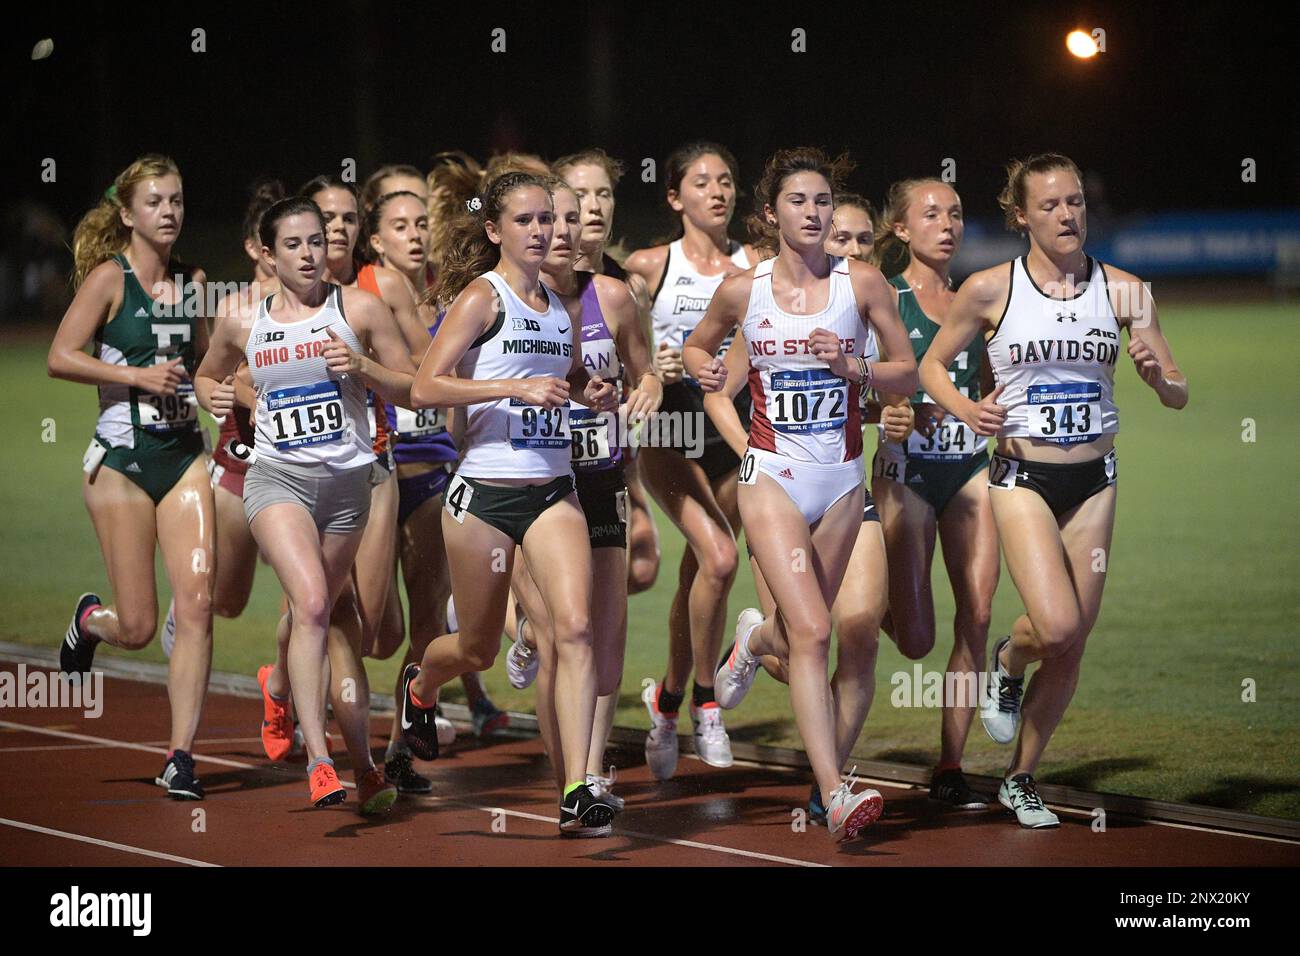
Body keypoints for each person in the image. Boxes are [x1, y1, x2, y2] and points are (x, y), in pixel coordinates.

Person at [919, 153, 1187, 827]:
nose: (1068, 215)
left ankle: (1021, 778)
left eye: (1075, 203)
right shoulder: (988, 289)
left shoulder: (1125, 290)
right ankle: (1008, 660)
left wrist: (1158, 378)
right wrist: (965, 408)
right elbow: (930, 365)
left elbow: (1180, 392)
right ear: (1020, 216)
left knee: (1073, 640)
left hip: (1095, 478)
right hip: (1022, 476)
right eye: (1050, 205)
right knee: (1058, 624)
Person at [693, 147, 918, 840]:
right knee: (817, 631)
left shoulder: (865, 284)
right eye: (799, 201)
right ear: (771, 213)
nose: (815, 212)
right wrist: (704, 374)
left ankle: (753, 642)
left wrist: (856, 366)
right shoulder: (744, 287)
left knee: (794, 634)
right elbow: (702, 348)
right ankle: (835, 792)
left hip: (844, 482)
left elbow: (908, 373)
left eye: (823, 201)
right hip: (772, 477)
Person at [397, 171, 621, 837]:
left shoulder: (560, 301)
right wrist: (510, 390)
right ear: (495, 230)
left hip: (554, 490)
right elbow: (424, 390)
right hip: (484, 495)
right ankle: (421, 684)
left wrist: (594, 392)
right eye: (525, 220)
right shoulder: (480, 298)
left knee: (575, 628)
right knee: (477, 646)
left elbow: (571, 374)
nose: (541, 231)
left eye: (548, 220)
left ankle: (578, 786)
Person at [195, 196, 417, 814]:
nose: (308, 254)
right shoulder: (242, 318)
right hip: (277, 481)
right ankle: (321, 762)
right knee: (313, 603)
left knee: (350, 622)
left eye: (316, 241)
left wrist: (365, 366)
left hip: (350, 491)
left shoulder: (361, 308)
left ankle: (362, 764)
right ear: (268, 254)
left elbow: (412, 384)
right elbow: (206, 375)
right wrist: (218, 399)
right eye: (292, 245)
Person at [49, 154, 214, 800]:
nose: (169, 211)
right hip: (119, 463)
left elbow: (202, 362)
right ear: (127, 214)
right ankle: (91, 620)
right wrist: (135, 376)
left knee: (196, 602)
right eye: (155, 202)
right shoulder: (108, 281)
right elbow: (60, 357)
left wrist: (222, 390)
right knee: (140, 626)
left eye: (176, 200)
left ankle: (180, 756)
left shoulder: (195, 280)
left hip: (183, 456)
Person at [506, 177, 661, 810]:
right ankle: (567, 771)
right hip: (534, 481)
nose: (566, 230)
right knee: (562, 635)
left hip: (599, 476)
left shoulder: (616, 298)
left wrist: (643, 389)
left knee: (606, 631)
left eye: (576, 218)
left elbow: (643, 367)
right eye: (554, 219)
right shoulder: (509, 302)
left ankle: (588, 774)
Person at [623, 142, 757, 778]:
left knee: (700, 575)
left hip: (731, 435)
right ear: (675, 197)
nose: (717, 190)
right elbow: (615, 337)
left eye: (726, 180)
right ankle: (707, 700)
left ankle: (666, 700)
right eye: (701, 182)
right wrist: (652, 365)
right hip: (670, 434)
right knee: (722, 556)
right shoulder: (650, 265)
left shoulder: (755, 266)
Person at [870, 178, 1001, 811]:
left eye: (955, 212)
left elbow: (998, 378)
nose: (946, 224)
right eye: (930, 215)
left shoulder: (978, 299)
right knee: (917, 639)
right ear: (900, 229)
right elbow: (854, 387)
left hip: (971, 468)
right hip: (908, 474)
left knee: (976, 614)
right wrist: (885, 412)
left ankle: (950, 766)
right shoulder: (882, 299)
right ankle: (869, 604)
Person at [554, 149, 661, 595]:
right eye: (582, 194)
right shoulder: (520, 286)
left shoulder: (624, 288)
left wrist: (655, 382)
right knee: (558, 612)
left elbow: (641, 374)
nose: (594, 206)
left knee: (634, 576)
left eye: (604, 193)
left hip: (604, 453)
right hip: (538, 462)